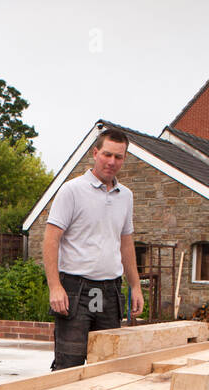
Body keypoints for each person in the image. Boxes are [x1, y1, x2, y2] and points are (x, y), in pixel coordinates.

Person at [42, 126, 143, 370]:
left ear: (124, 158)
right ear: (95, 153)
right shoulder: (72, 190)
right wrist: (55, 287)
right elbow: (50, 239)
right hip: (75, 290)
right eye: (107, 154)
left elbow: (126, 243)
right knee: (69, 366)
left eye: (118, 156)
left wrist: (135, 286)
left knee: (107, 368)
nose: (112, 161)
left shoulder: (126, 196)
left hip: (111, 291)